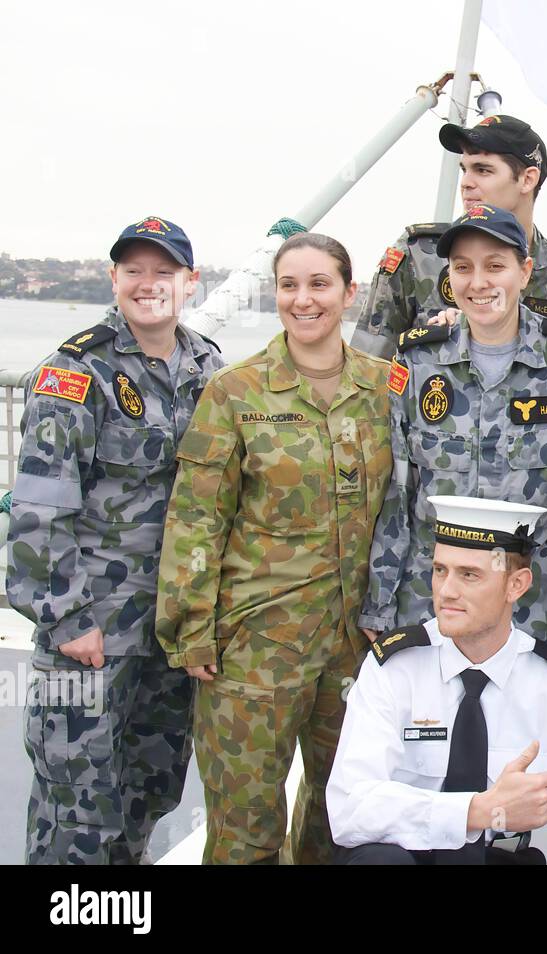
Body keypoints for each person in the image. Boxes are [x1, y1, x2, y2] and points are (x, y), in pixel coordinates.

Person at [155, 232, 393, 864]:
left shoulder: (386, 390)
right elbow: (197, 517)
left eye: (320, 284)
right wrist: (190, 628)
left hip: (357, 647)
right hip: (254, 648)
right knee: (245, 831)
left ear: (350, 292)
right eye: (290, 285)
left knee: (342, 819)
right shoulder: (236, 392)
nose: (303, 299)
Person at [9, 216, 224, 864]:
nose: (148, 284)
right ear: (114, 279)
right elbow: (39, 514)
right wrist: (72, 621)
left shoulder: (209, 367)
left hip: (167, 636)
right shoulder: (77, 372)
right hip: (92, 638)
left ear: (189, 282)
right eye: (135, 271)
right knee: (76, 814)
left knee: (146, 798)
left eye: (164, 272)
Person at [329, 496, 547, 865]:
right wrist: (477, 811)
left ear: (516, 585)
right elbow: (348, 811)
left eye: (469, 575)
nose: (446, 591)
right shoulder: (394, 670)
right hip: (409, 856)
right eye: (440, 570)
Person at [358, 205, 547, 647]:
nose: (478, 283)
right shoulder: (418, 362)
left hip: (529, 604)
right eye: (463, 268)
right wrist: (382, 600)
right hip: (431, 601)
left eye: (495, 266)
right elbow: (399, 490)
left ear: (524, 272)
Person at [350, 114, 547, 359]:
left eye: (483, 170)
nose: (466, 182)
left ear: (527, 179)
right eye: (464, 169)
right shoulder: (419, 255)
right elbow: (370, 369)